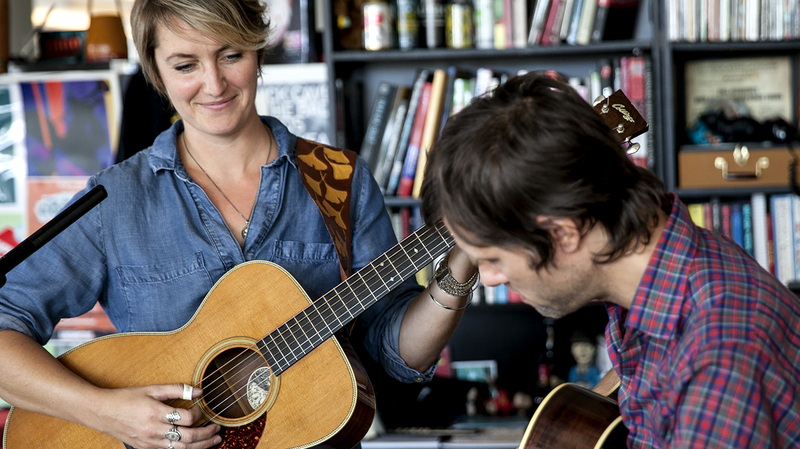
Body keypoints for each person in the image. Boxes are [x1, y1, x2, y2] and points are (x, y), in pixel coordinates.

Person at [0, 1, 477, 448]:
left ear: (258, 49)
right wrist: (105, 412)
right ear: (157, 73)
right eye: (185, 65)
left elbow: (393, 354)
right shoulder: (116, 200)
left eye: (231, 55)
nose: (214, 84)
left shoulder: (340, 181)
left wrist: (459, 274)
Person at [420, 72, 800, 447]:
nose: (487, 278)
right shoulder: (661, 283)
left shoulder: (718, 366)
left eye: (493, 258)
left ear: (564, 234)